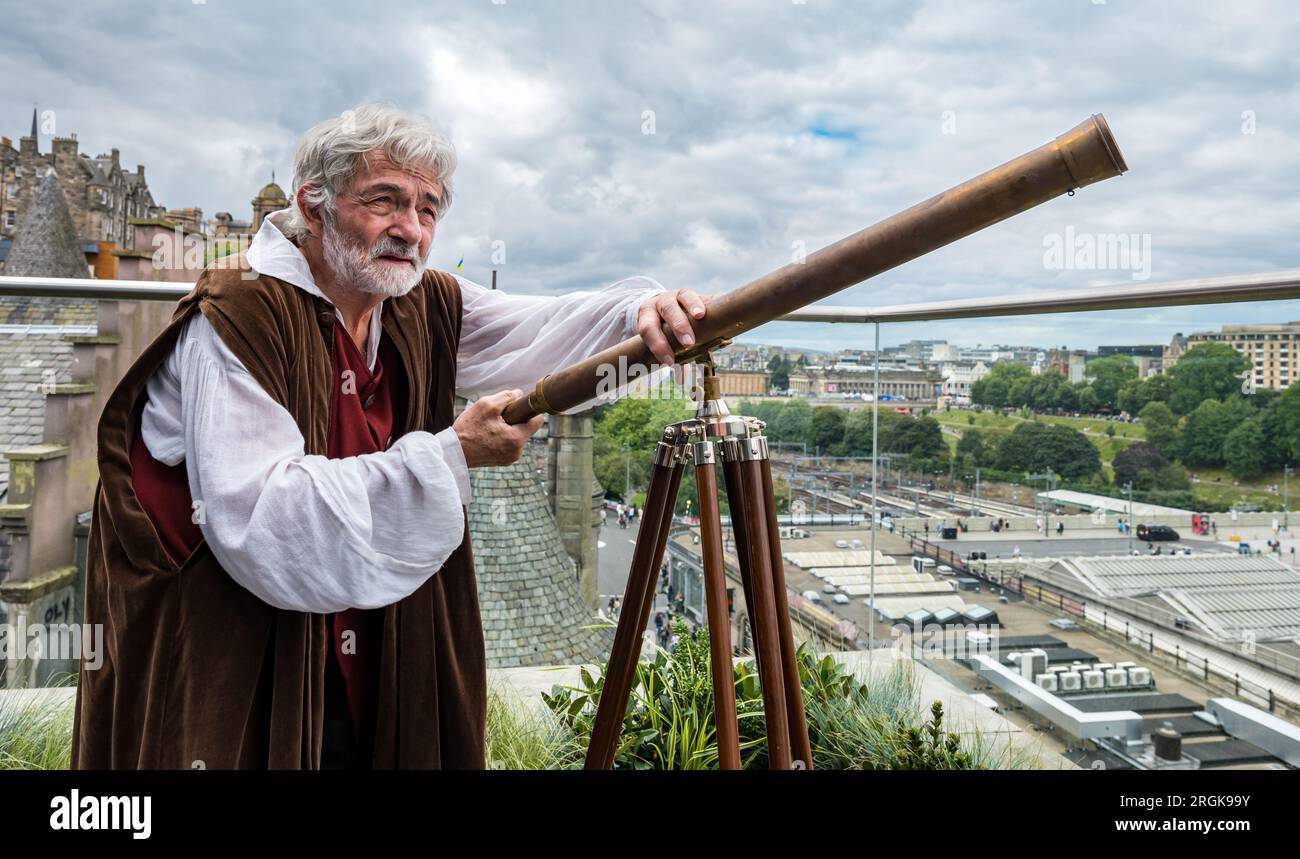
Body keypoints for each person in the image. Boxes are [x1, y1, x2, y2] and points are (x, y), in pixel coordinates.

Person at [71, 104, 715, 770]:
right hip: (236, 659)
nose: (410, 229)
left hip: (364, 650)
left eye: (429, 209)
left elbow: (539, 330)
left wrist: (639, 310)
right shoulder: (239, 316)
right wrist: (452, 455)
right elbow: (264, 519)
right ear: (312, 207)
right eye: (385, 201)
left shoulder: (414, 301)